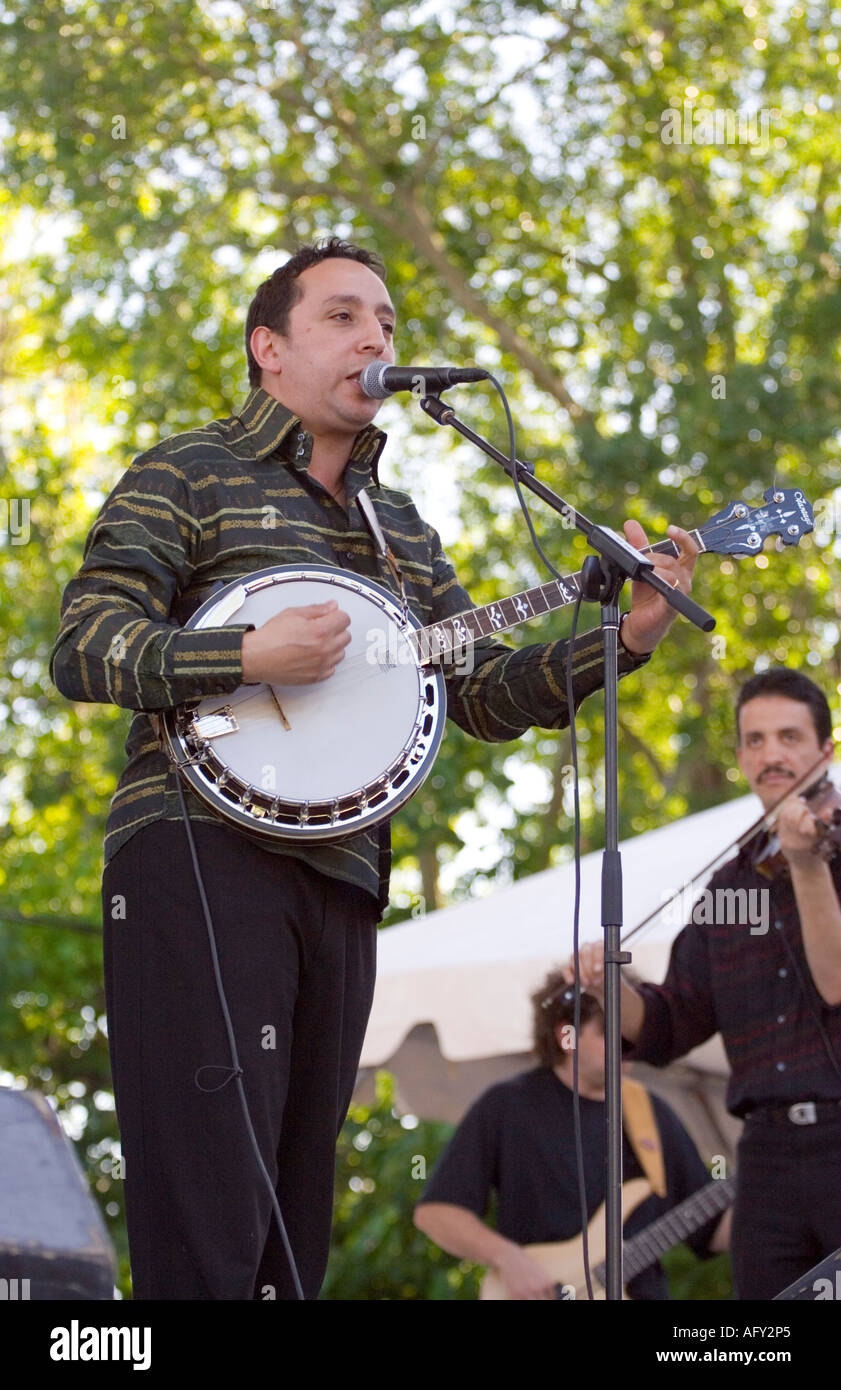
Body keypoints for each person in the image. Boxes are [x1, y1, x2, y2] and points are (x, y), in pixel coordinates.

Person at [50, 237, 700, 1301]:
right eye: (346, 316)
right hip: (197, 851)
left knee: (290, 1204)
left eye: (389, 323)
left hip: (344, 868)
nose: (378, 338)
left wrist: (621, 641)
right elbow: (85, 643)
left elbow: (482, 693)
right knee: (210, 1185)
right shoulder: (190, 468)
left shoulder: (400, 527)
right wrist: (245, 654)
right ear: (270, 346)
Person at [571, 668, 841, 1299]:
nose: (770, 754)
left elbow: (835, 986)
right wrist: (613, 991)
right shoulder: (729, 886)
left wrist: (805, 864)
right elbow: (671, 1022)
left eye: (788, 737)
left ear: (825, 751)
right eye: (754, 740)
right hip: (766, 1156)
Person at [414, 973, 729, 1299]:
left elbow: (713, 1231)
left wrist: (767, 1186)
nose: (626, 1045)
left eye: (631, 1033)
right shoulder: (508, 1104)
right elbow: (436, 1213)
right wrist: (507, 1258)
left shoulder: (651, 1113)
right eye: (610, 1032)